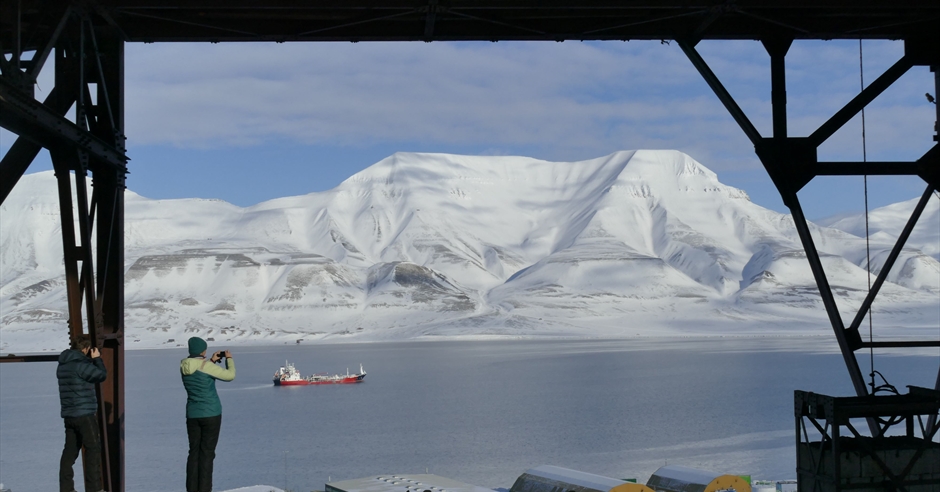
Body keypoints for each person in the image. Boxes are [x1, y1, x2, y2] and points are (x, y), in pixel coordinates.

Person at [181, 337, 235, 492]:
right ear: (203, 351)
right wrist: (229, 359)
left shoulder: (184, 365)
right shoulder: (206, 366)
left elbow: (200, 369)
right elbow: (230, 375)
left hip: (192, 415)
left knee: (194, 453)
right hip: (211, 414)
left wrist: (211, 360)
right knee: (207, 454)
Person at [57, 335, 107, 492]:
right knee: (93, 449)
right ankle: (94, 488)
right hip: (84, 414)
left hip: (69, 415)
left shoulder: (63, 365)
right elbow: (101, 375)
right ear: (86, 349)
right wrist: (97, 359)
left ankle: (66, 488)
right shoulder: (80, 365)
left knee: (69, 452)